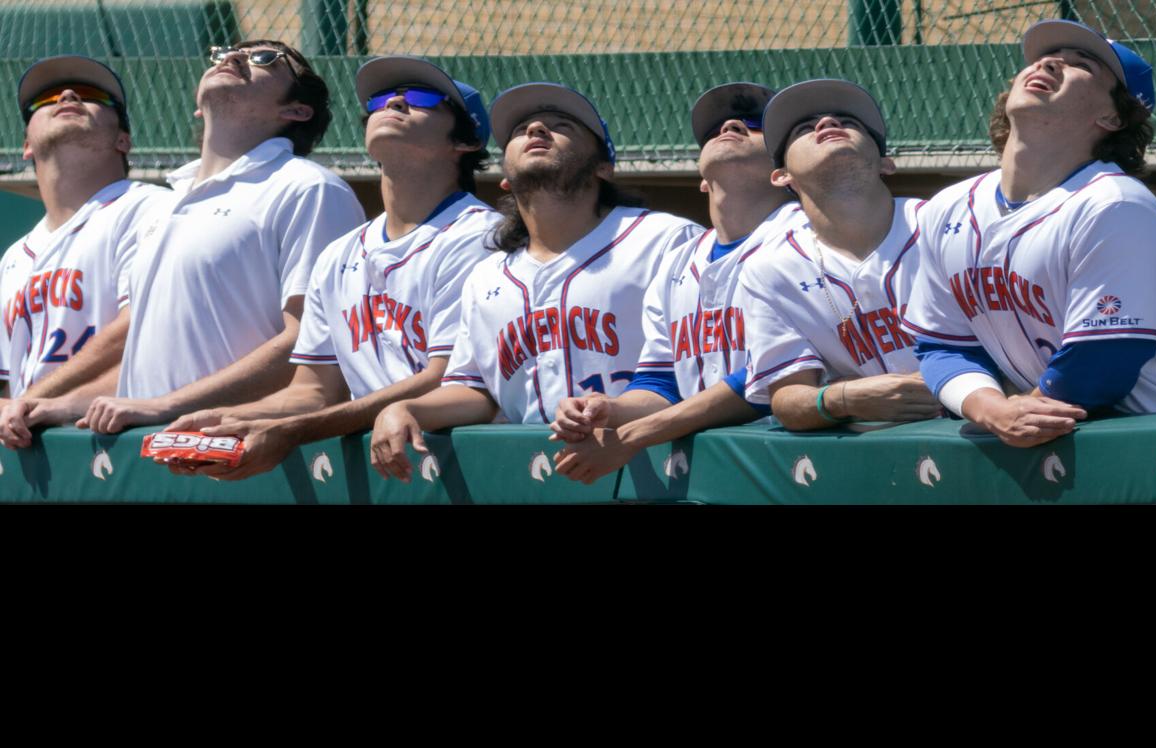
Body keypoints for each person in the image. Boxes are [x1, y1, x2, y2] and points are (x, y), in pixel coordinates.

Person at [154, 56, 499, 479]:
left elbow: (447, 381)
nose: (394, 104)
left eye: (422, 98)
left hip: (464, 468)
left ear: (465, 141)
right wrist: (221, 420)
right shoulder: (339, 255)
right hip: (382, 468)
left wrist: (292, 431)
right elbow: (314, 391)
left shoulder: (480, 237)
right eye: (381, 100)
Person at [26, 40, 365, 435]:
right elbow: (147, 364)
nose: (234, 58)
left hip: (241, 457)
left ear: (296, 110)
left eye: (265, 59)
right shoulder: (164, 206)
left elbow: (312, 349)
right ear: (198, 107)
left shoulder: (308, 189)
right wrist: (58, 405)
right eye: (224, 54)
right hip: (150, 457)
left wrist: (164, 406)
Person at [370, 81, 701, 481]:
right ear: (505, 177)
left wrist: (617, 410)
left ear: (603, 166)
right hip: (537, 480)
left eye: (562, 125)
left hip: (655, 471)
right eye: (520, 129)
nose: (536, 130)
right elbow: (475, 391)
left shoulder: (664, 240)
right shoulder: (487, 276)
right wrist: (406, 408)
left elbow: (694, 372)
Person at [904, 19, 1156, 448]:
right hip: (1061, 431)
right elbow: (940, 345)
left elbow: (1105, 358)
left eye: (1082, 64)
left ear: (1113, 116)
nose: (1051, 63)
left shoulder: (1114, 204)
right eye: (1046, 58)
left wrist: (1020, 414)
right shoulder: (948, 208)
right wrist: (992, 409)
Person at [550, 81, 797, 485]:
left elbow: (771, 375)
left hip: (790, 465)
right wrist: (607, 409)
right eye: (714, 129)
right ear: (702, 179)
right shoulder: (678, 263)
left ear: (785, 171)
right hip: (711, 471)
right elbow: (661, 382)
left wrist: (636, 433)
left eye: (754, 125)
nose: (730, 125)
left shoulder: (804, 241)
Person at [726, 79, 940, 431]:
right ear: (781, 176)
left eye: (849, 122)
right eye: (805, 128)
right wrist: (843, 398)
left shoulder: (942, 225)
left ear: (886, 163)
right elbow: (787, 398)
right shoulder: (771, 269)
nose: (827, 123)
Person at [0, 56, 172, 448]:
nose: (67, 95)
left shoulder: (150, 209)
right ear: (26, 145)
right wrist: (16, 404)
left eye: (93, 96)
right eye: (44, 100)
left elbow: (146, 331)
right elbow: (11, 380)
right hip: (34, 446)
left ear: (123, 140)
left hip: (119, 440)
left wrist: (32, 399)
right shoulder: (13, 258)